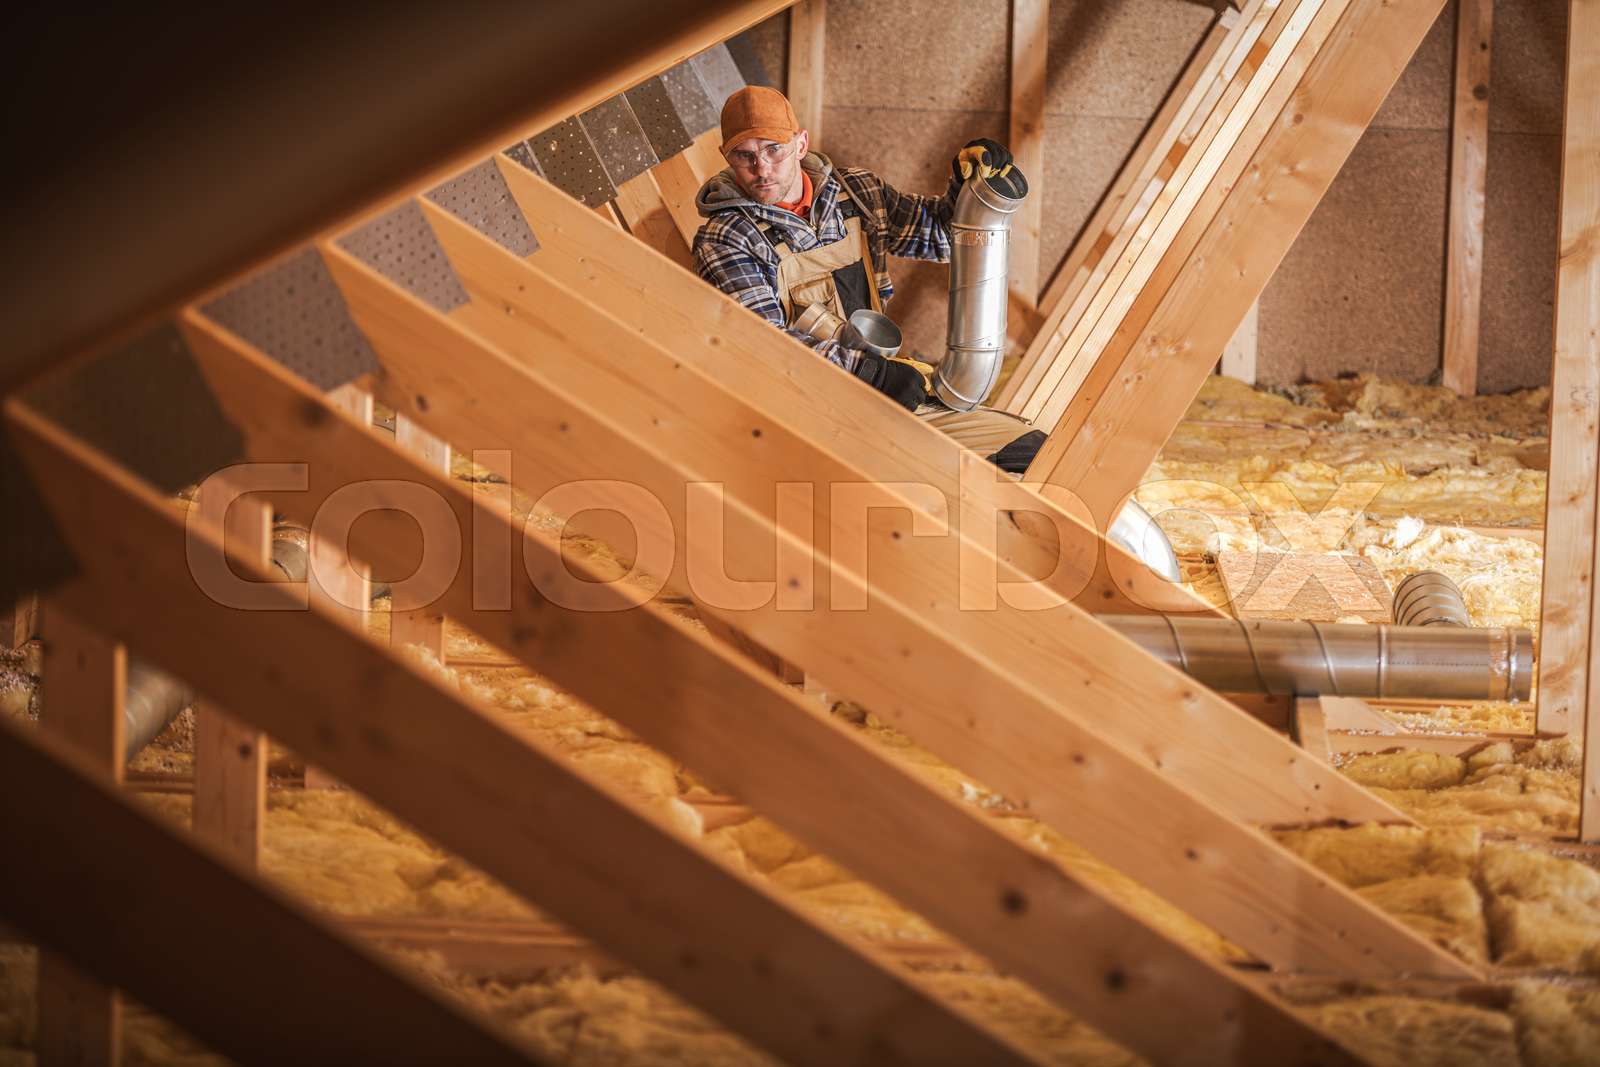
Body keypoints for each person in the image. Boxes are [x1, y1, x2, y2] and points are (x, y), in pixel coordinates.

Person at [692, 85, 1046, 473]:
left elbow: (940, 239)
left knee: (1034, 455)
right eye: (745, 156)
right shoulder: (726, 238)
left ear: (800, 144)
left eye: (774, 149)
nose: (762, 169)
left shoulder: (856, 193)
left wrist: (966, 193)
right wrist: (869, 373)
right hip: (805, 418)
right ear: (727, 158)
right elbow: (764, 345)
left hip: (883, 396)